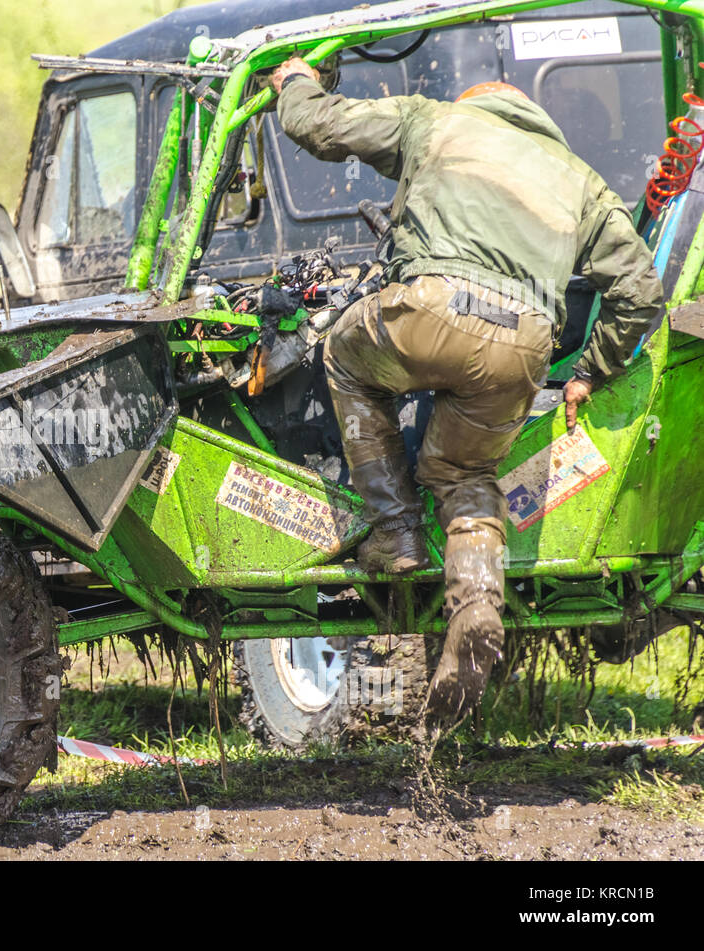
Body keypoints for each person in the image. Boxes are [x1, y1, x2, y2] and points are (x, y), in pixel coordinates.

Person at [269, 59, 663, 721]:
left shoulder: (436, 120)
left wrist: (297, 82)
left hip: (429, 311)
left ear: (476, 102)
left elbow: (322, 127)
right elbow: (641, 291)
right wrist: (591, 370)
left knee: (344, 355)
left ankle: (394, 530)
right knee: (464, 471)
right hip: (521, 348)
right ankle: (477, 604)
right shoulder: (581, 182)